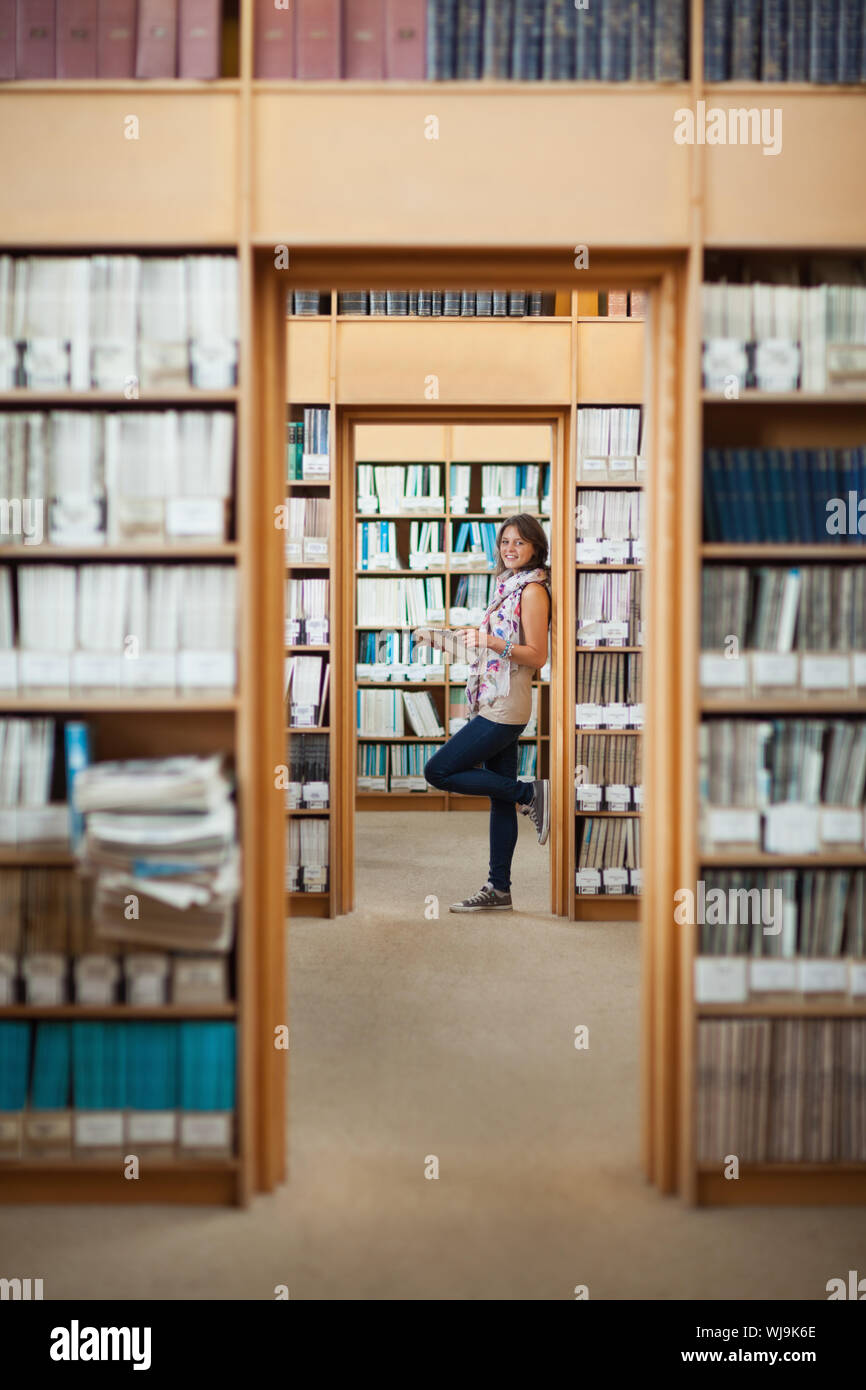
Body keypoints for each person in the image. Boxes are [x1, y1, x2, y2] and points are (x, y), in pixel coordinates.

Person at [422, 514, 551, 913]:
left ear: (535, 548)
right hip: (494, 696)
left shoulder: (532, 591)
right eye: (505, 542)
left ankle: (530, 793)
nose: (510, 549)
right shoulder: (506, 588)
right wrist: (443, 641)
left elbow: (537, 655)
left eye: (520, 543)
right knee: (498, 797)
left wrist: (491, 640)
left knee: (437, 771)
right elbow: (491, 653)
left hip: (506, 705)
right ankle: (499, 889)